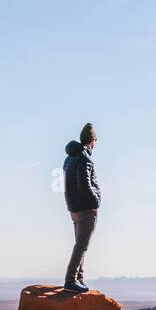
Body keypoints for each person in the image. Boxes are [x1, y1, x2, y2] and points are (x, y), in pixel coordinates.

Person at [62, 122, 101, 292]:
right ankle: (71, 280)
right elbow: (84, 185)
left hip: (74, 208)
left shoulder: (69, 157)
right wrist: (95, 202)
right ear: (92, 140)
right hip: (85, 208)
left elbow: (67, 184)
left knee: (80, 243)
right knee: (82, 245)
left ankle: (79, 277)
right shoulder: (85, 158)